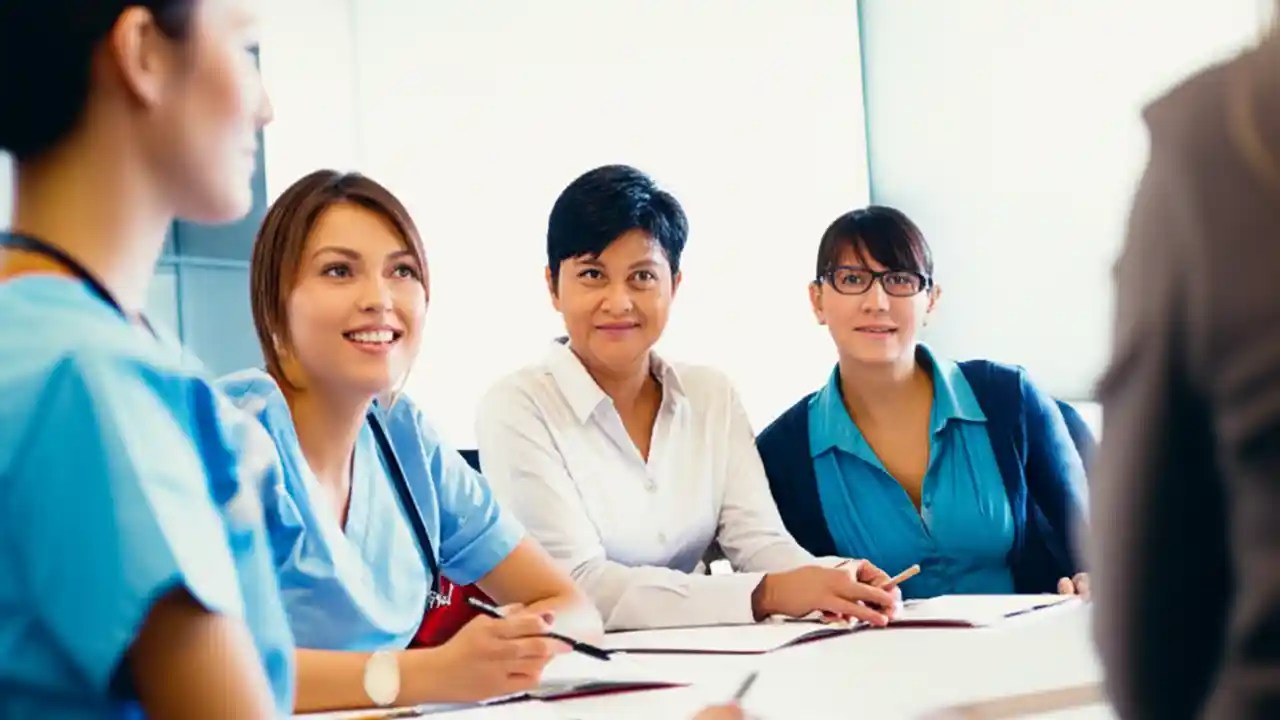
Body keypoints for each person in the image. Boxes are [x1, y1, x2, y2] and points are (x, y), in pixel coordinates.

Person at [0, 1, 293, 717]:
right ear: (143, 53)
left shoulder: (51, 334)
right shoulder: (93, 378)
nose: (266, 107)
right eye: (245, 49)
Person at [218, 169, 602, 712]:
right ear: (275, 301)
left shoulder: (405, 441)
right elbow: (210, 668)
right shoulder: (227, 435)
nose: (379, 298)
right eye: (338, 270)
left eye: (401, 271)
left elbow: (572, 605)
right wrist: (428, 673)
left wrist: (512, 644)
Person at [476, 164, 899, 632]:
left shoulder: (710, 395)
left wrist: (836, 579)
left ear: (674, 286)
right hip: (578, 674)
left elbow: (758, 542)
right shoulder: (517, 407)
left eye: (642, 277)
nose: (619, 301)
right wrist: (766, 594)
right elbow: (578, 586)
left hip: (701, 660)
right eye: (592, 274)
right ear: (553, 287)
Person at [756, 206, 1090, 600]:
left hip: (1026, 649)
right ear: (817, 301)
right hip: (872, 659)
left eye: (899, 279)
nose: (877, 301)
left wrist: (1090, 579)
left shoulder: (1009, 397)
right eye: (851, 279)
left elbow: (1096, 548)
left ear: (930, 299)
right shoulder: (782, 453)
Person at [1092, 32, 1280, 720]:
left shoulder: (1230, 136)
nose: (876, 300)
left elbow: (1150, 648)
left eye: (898, 278)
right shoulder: (790, 439)